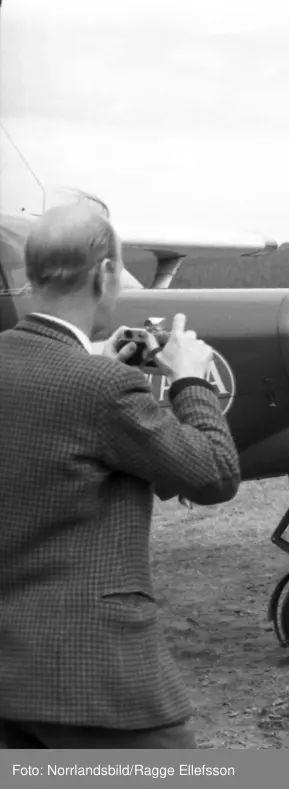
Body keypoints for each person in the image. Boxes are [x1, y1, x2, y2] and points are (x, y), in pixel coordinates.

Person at [0, 201, 241, 748]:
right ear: (106, 274)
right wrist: (191, 380)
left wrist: (100, 368)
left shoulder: (90, 379)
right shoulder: (103, 389)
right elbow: (215, 474)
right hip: (95, 682)